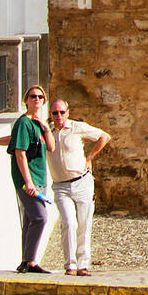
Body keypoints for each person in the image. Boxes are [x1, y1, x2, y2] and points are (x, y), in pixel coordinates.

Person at [47, 99, 110, 276]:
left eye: (61, 112)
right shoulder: (47, 131)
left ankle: (83, 264)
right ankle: (70, 265)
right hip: (60, 186)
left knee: (84, 223)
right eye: (54, 113)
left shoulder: (76, 127)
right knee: (68, 222)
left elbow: (104, 137)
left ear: (67, 112)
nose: (58, 116)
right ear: (50, 114)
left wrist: (89, 157)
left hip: (81, 182)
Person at [6, 85, 56, 272]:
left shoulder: (38, 124)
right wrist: (28, 182)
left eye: (40, 97)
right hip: (28, 180)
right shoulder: (23, 123)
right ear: (26, 100)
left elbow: (51, 147)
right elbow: (19, 153)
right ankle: (31, 261)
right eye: (33, 96)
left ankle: (25, 262)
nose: (36, 99)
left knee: (30, 220)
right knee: (40, 218)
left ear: (44, 101)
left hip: (40, 178)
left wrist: (46, 128)